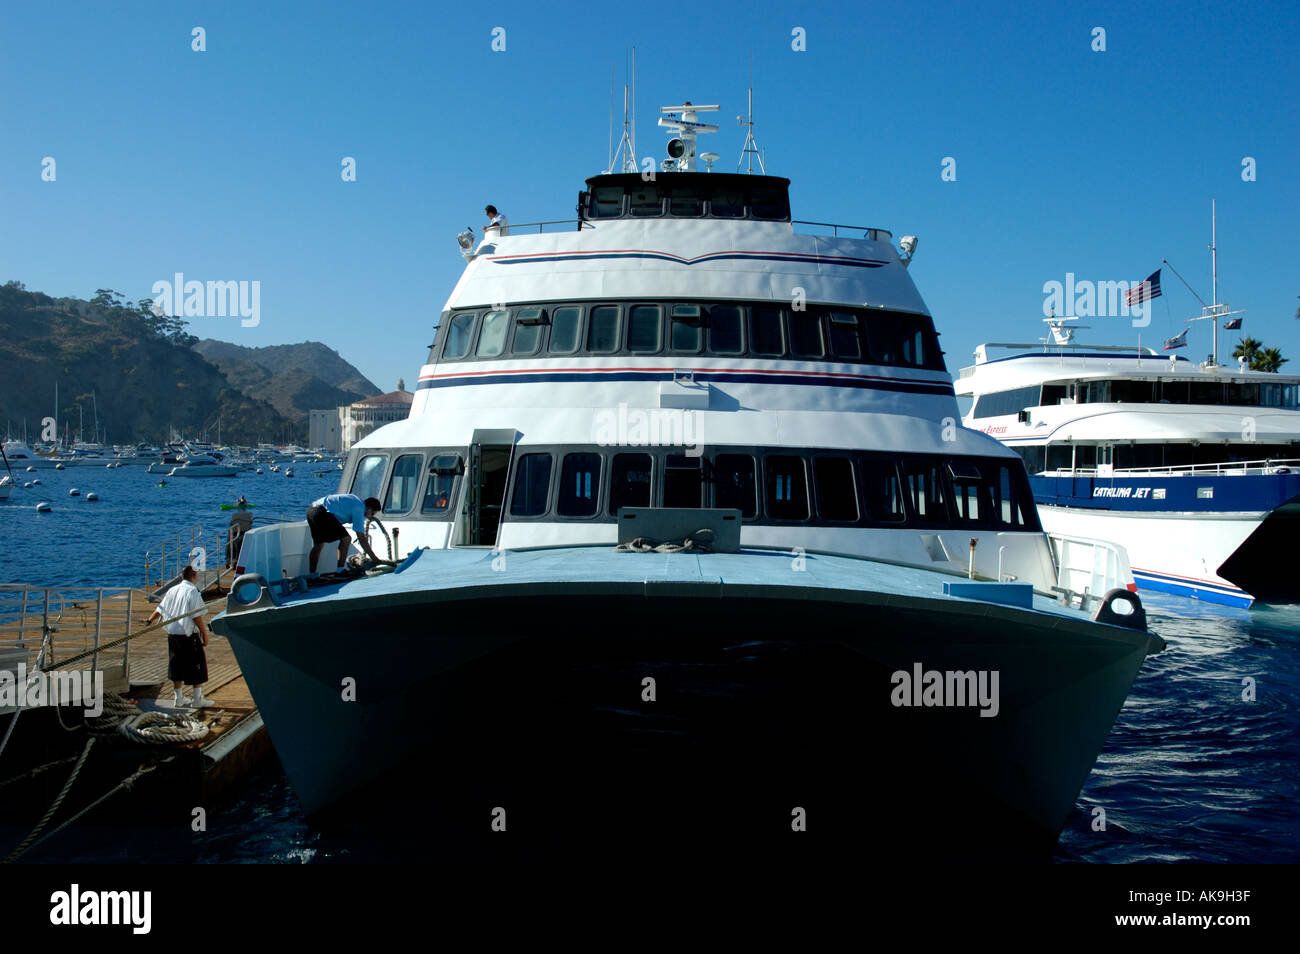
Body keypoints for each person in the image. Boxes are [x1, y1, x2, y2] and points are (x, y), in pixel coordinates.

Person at [144, 565, 215, 708]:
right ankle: (197, 699)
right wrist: (204, 633)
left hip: (172, 634)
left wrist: (150, 619)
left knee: (176, 665)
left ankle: (178, 698)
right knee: (197, 665)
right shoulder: (192, 591)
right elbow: (196, 615)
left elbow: (160, 608)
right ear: (194, 576)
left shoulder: (173, 590)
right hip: (188, 634)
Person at [307, 493, 385, 575]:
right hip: (322, 512)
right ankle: (340, 571)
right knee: (346, 539)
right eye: (372, 513)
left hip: (311, 511)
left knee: (318, 544)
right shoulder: (359, 508)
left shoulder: (356, 501)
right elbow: (362, 539)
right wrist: (375, 559)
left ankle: (312, 575)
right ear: (369, 508)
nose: (369, 517)